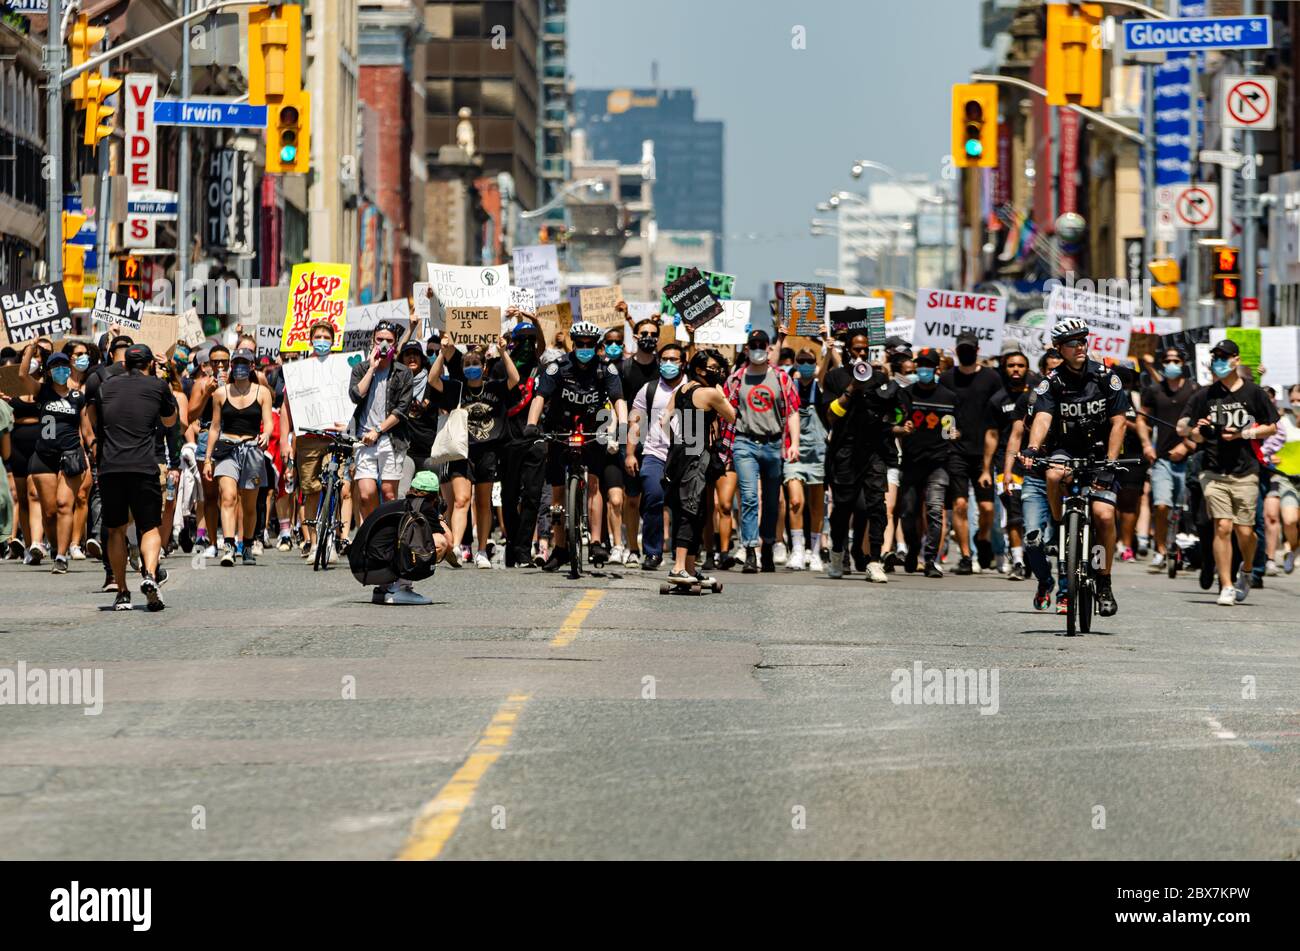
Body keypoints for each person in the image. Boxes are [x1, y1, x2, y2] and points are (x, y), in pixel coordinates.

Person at [1021, 317, 1129, 618]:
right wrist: (1031, 448)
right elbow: (1042, 418)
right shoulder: (1051, 382)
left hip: (1100, 453)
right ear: (1058, 348)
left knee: (1103, 515)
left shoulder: (1106, 376)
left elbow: (1119, 422)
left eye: (1083, 340)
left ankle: (1104, 582)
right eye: (1071, 342)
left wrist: (1110, 463)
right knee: (1054, 474)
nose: (1079, 346)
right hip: (1065, 448)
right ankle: (1057, 526)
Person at [1177, 339, 1279, 607]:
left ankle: (1246, 569)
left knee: (1245, 531)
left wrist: (1244, 433)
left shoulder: (1254, 393)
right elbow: (1185, 429)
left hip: (1246, 472)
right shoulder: (1205, 396)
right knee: (1222, 526)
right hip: (1213, 472)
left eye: (1224, 356)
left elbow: (1272, 426)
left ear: (1236, 360)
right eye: (1215, 357)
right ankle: (1226, 584)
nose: (1219, 361)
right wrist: (1196, 430)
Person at [525, 320, 626, 571]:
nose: (584, 347)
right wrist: (531, 423)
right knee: (557, 491)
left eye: (589, 344)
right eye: (579, 344)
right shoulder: (557, 367)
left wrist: (622, 424)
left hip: (593, 429)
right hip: (559, 428)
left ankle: (595, 541)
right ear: (572, 343)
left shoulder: (606, 369)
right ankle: (560, 549)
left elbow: (618, 399)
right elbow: (540, 397)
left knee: (593, 483)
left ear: (596, 345)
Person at [86, 344, 178, 612]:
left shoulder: (106, 386)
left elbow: (92, 419)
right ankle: (149, 574)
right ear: (150, 364)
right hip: (143, 466)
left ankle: (122, 592)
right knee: (148, 526)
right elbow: (170, 422)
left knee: (115, 528)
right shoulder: (157, 386)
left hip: (111, 466)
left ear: (125, 364)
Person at [820, 332, 909, 582]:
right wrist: (851, 389)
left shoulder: (879, 378)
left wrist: (898, 425)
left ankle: (874, 560)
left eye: (864, 349)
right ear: (847, 349)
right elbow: (830, 416)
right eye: (856, 349)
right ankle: (838, 553)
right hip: (844, 453)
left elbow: (896, 412)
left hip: (874, 452)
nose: (860, 354)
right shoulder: (835, 377)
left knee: (875, 507)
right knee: (842, 509)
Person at [429, 335, 519, 568]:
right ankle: (457, 547)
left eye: (475, 364)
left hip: (488, 452)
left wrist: (503, 351)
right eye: (467, 364)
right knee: (461, 500)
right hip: (462, 451)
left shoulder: (495, 388)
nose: (471, 368)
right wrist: (442, 351)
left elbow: (515, 378)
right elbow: (433, 379)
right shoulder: (456, 389)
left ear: (484, 366)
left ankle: (481, 551)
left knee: (483, 502)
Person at [721, 329, 800, 573]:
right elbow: (725, 411)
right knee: (749, 497)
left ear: (768, 348)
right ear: (747, 349)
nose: (757, 348)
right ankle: (750, 550)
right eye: (753, 344)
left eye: (761, 344)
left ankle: (768, 544)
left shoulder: (780, 378)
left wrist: (794, 443)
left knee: (772, 500)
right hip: (745, 443)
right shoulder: (736, 378)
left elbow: (793, 411)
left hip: (773, 444)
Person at [661, 348, 736, 584]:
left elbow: (664, 420)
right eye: (712, 369)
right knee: (690, 510)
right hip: (696, 455)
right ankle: (679, 567)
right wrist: (719, 389)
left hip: (680, 452)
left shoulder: (681, 389)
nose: (716, 372)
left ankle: (691, 569)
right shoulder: (709, 393)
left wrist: (677, 444)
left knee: (698, 510)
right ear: (699, 369)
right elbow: (732, 415)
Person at [15, 345, 92, 574]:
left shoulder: (78, 397)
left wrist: (92, 448)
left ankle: (61, 554)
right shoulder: (42, 391)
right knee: (49, 512)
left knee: (63, 504)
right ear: (49, 371)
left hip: (70, 454)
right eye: (55, 366)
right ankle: (56, 544)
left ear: (69, 369)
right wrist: (31, 346)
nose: (60, 370)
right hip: (44, 455)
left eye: (63, 366)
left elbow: (86, 430)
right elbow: (21, 374)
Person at [284, 322, 351, 560]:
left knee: (334, 485)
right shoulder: (298, 370)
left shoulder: (343, 367)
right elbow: (287, 407)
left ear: (333, 341)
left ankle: (331, 538)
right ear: (310, 339)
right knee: (311, 490)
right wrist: (285, 440)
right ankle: (313, 542)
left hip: (334, 436)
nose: (322, 340)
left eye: (326, 336)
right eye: (318, 336)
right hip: (308, 439)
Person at [940, 330, 1004, 574]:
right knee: (959, 504)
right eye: (961, 348)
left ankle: (983, 538)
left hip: (984, 454)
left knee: (988, 508)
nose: (965, 352)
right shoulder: (946, 378)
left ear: (977, 351)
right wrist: (948, 432)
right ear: (956, 351)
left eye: (969, 349)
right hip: (956, 451)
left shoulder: (991, 378)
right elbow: (942, 410)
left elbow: (999, 415)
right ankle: (966, 556)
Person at [202, 348, 274, 566]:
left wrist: (267, 434)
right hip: (227, 448)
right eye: (237, 363)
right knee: (228, 496)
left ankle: (249, 544)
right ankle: (229, 545)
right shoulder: (221, 393)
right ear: (232, 366)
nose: (240, 367)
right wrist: (207, 459)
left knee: (250, 504)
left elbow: (268, 420)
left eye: (245, 363)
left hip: (252, 448)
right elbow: (214, 427)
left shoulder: (262, 392)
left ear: (252, 366)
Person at [348, 467, 452, 606]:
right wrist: (439, 515)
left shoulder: (393, 505)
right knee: (440, 542)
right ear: (434, 496)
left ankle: (386, 588)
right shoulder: (423, 507)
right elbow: (449, 543)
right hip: (377, 569)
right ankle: (400, 588)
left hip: (360, 568)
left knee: (400, 540)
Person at [1137, 347, 1198, 573]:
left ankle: (1182, 548)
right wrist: (1146, 444)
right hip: (1161, 458)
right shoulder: (1154, 390)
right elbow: (1142, 419)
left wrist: (1187, 444)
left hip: (1190, 459)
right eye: (1167, 360)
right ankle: (1161, 549)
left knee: (1183, 509)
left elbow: (1202, 420)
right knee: (1161, 505)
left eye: (1176, 360)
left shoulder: (1194, 389)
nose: (1172, 363)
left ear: (1183, 363)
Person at [896, 351, 956, 578]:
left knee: (934, 512)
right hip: (911, 463)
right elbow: (896, 422)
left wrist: (954, 434)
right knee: (908, 513)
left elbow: (950, 429)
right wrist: (902, 428)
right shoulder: (906, 394)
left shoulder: (949, 397)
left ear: (935, 370)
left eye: (928, 366)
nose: (923, 370)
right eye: (920, 366)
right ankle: (912, 548)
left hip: (938, 464)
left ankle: (930, 559)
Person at [626, 341, 684, 571]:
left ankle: (685, 553)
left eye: (674, 359)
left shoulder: (694, 386)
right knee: (652, 499)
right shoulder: (648, 389)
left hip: (684, 455)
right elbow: (634, 421)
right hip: (654, 453)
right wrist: (630, 453)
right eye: (665, 359)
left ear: (683, 362)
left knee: (684, 506)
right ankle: (652, 552)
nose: (669, 364)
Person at [348, 320, 413, 522]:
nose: (384, 344)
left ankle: (387, 535)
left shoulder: (403, 372)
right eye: (380, 339)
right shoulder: (360, 368)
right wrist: (371, 368)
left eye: (389, 341)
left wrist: (378, 430)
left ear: (395, 344)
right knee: (366, 493)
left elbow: (401, 410)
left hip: (390, 439)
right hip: (364, 439)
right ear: (372, 340)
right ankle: (373, 532)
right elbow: (355, 395)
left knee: (388, 493)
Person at [982, 350, 1033, 580]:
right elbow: (992, 435)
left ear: (1027, 369)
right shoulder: (997, 400)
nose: (1016, 369)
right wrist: (986, 468)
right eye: (1011, 365)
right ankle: (1018, 560)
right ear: (1004, 368)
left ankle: (1033, 554)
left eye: (1020, 365)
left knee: (1030, 513)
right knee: (1012, 511)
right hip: (1006, 463)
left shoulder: (1038, 397)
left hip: (1034, 461)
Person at [783, 346, 828, 571]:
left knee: (817, 504)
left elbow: (830, 365)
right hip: (795, 450)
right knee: (796, 501)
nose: (806, 364)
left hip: (817, 450)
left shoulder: (820, 386)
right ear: (796, 362)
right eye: (802, 360)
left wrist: (826, 344)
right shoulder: (790, 386)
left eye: (810, 360)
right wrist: (781, 338)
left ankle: (816, 550)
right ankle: (798, 549)